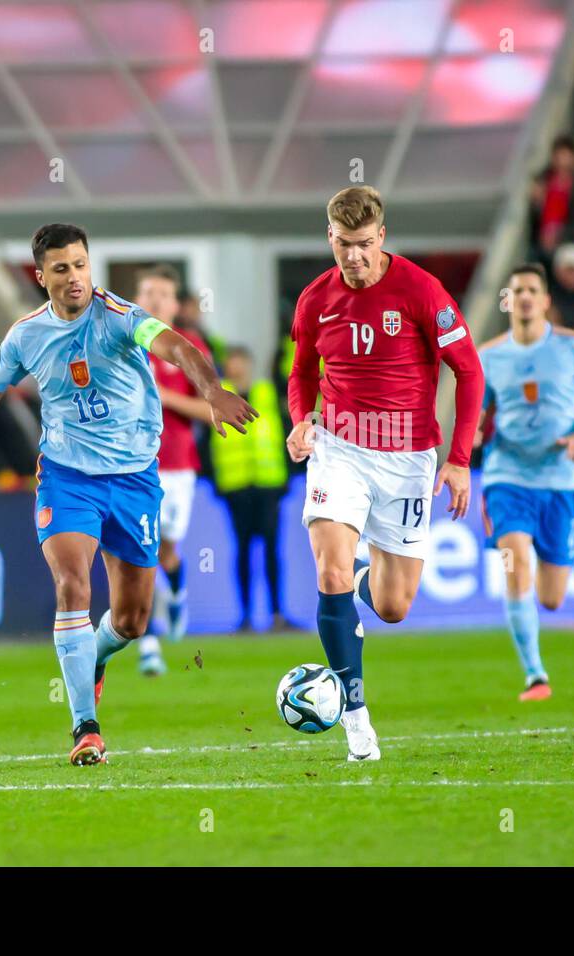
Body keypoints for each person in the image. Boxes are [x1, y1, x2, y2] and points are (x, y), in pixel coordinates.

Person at [0, 223, 254, 766]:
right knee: (73, 585)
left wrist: (212, 389)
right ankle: (85, 727)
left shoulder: (120, 317)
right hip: (67, 479)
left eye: (81, 265)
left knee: (132, 620)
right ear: (41, 276)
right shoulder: (25, 335)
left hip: (135, 479)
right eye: (62, 268)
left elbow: (176, 346)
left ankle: (94, 656)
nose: (75, 278)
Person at [287, 185, 484, 761]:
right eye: (344, 244)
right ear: (330, 237)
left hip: (407, 458)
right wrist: (302, 421)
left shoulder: (423, 291)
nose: (354, 257)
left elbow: (469, 373)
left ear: (383, 237)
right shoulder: (314, 299)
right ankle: (355, 719)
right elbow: (301, 372)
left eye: (365, 244)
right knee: (331, 570)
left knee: (395, 606)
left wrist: (460, 460)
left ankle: (363, 584)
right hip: (339, 450)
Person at [477, 263, 574, 700]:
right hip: (507, 478)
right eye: (516, 290)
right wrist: (470, 432)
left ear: (544, 301)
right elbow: (475, 408)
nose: (523, 297)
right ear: (508, 300)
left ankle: (540, 606)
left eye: (532, 291)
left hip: (562, 482)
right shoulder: (488, 357)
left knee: (553, 597)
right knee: (515, 560)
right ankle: (535, 675)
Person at [132, 264, 212, 674]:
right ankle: (149, 645)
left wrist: (164, 396)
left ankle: (177, 596)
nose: (154, 300)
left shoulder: (189, 347)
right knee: (138, 555)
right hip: (131, 468)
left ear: (176, 304)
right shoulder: (123, 342)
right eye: (147, 293)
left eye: (163, 294)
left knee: (166, 552)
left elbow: (212, 409)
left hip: (178, 467)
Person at [211, 346, 290, 632]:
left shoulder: (267, 393)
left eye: (242, 361)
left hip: (269, 485)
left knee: (271, 549)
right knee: (243, 549)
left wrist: (286, 479)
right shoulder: (218, 396)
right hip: (236, 486)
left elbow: (284, 432)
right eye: (233, 362)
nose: (238, 367)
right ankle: (245, 616)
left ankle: (277, 615)